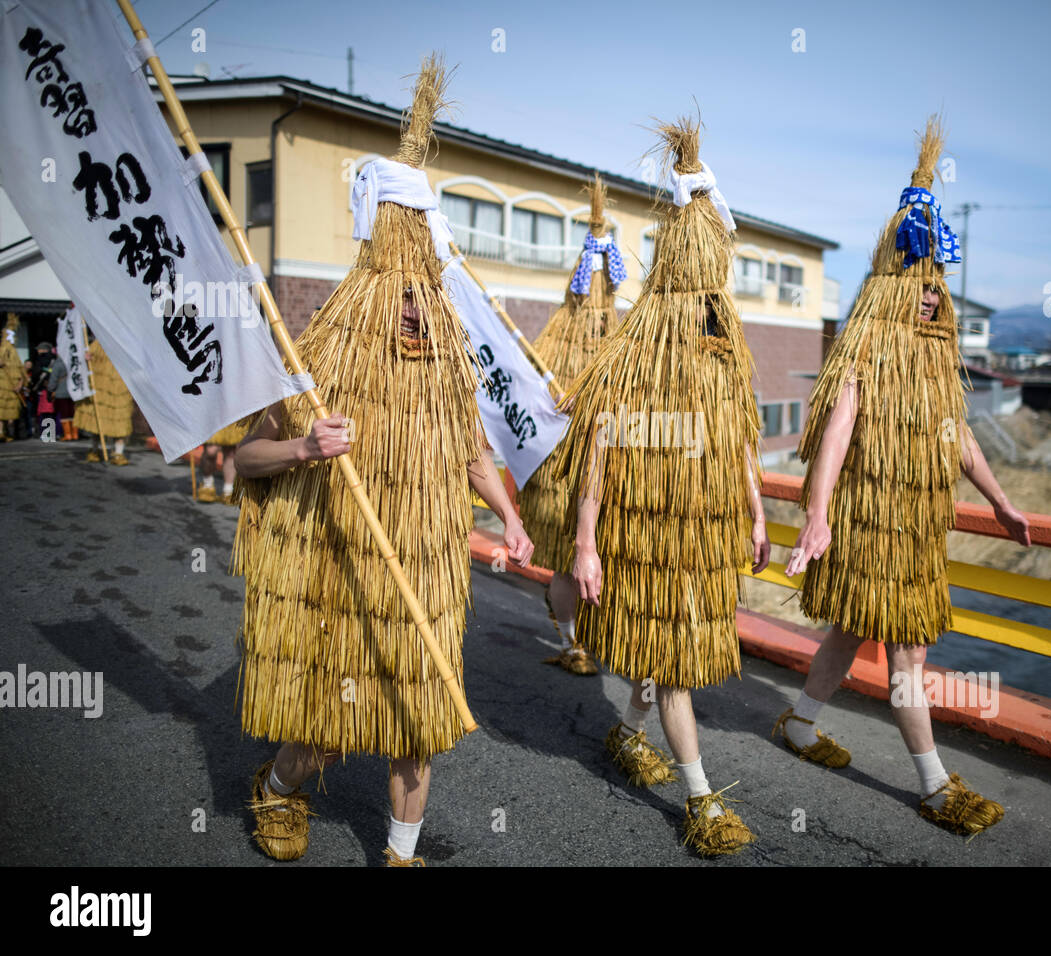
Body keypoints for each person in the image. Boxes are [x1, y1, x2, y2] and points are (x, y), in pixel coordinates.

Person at [233, 56, 533, 867]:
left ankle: (402, 854)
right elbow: (244, 460)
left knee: (417, 725)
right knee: (325, 730)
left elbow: (474, 455)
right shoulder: (326, 349)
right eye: (401, 294)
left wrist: (509, 516)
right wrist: (303, 445)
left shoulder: (448, 360)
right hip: (345, 572)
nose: (412, 306)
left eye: (420, 292)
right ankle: (279, 786)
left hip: (428, 574)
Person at [776, 117, 1030, 839]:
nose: (930, 296)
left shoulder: (935, 362)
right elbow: (835, 434)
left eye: (937, 285)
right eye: (919, 283)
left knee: (849, 631)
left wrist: (1003, 503)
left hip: (918, 530)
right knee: (908, 650)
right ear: (892, 285)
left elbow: (960, 440)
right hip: (869, 526)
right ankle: (934, 785)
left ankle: (798, 722)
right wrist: (817, 515)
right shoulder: (865, 353)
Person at [559, 118, 770, 857]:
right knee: (677, 664)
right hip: (644, 539)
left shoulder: (726, 353)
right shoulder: (632, 353)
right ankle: (702, 799)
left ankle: (626, 731)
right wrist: (585, 542)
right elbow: (598, 458)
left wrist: (754, 512)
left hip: (702, 540)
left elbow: (741, 437)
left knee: (664, 649)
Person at [515, 174, 622, 677]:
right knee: (565, 559)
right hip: (562, 474)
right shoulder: (554, 344)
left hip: (610, 474)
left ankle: (585, 630)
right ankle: (570, 639)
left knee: (598, 558)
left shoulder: (621, 342)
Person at [74, 333, 134, 465]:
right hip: (100, 390)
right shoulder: (97, 345)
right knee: (97, 424)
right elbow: (84, 363)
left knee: (120, 425)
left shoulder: (126, 344)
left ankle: (118, 453)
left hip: (120, 389)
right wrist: (86, 359)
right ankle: (95, 450)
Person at [0, 315, 22, 442]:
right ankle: (1, 432)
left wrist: (19, 384)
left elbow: (21, 372)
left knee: (11, 413)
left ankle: (10, 433)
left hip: (12, 388)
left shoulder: (15, 356)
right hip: (2, 387)